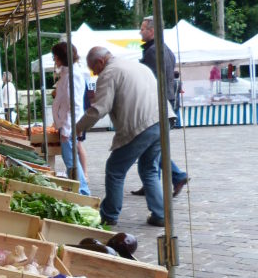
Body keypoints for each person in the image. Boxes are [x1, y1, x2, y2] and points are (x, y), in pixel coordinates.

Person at [75, 47, 173, 228]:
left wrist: (78, 128)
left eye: (93, 69)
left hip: (141, 124)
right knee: (149, 169)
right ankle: (160, 214)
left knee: (115, 170)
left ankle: (109, 214)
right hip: (163, 119)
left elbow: (100, 108)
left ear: (100, 62)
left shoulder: (109, 72)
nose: (94, 73)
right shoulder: (137, 66)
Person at [133, 16, 188, 197]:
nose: (140, 31)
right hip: (166, 102)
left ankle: (176, 175)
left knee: (152, 145)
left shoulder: (154, 51)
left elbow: (151, 81)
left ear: (152, 31)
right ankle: (152, 183)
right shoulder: (164, 50)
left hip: (159, 103)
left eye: (143, 29)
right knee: (153, 145)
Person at [50, 41, 90, 195]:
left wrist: (66, 128)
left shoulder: (72, 76)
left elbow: (74, 106)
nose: (54, 60)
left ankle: (82, 192)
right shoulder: (67, 75)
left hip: (69, 126)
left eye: (55, 57)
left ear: (60, 58)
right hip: (66, 125)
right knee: (71, 161)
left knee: (71, 162)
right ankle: (81, 190)